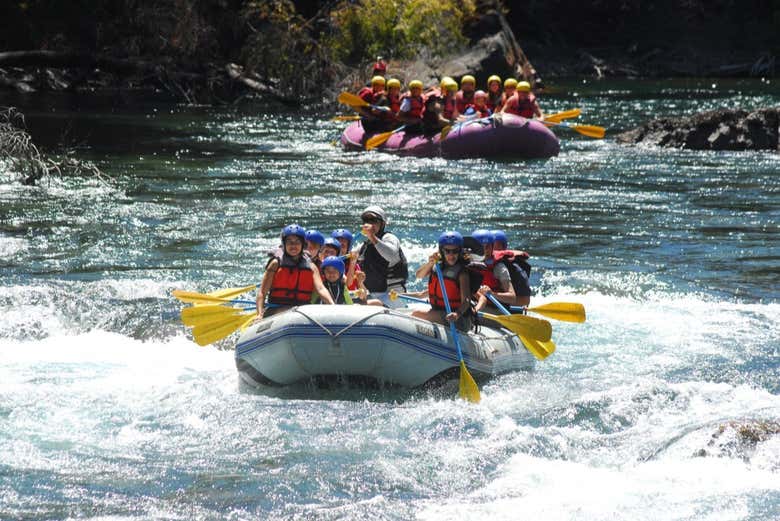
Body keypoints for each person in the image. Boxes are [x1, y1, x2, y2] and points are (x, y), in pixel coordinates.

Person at [256, 224, 334, 317]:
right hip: (277, 309)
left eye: (297, 242)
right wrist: (259, 314)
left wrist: (333, 306)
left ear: (302, 245)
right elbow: (262, 292)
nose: (293, 246)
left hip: (303, 311)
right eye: (289, 242)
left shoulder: (311, 266)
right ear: (284, 244)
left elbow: (321, 289)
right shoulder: (275, 264)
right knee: (283, 311)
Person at [411, 231, 473, 331]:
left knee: (416, 314)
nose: (451, 255)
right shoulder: (436, 266)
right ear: (441, 251)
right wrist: (430, 263)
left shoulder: (462, 273)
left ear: (460, 251)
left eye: (455, 251)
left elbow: (466, 300)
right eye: (447, 251)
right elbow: (419, 275)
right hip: (440, 312)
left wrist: (457, 314)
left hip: (457, 319)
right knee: (416, 314)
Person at [355, 205, 408, 307]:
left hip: (394, 295)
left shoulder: (390, 238)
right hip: (372, 295)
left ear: (382, 224)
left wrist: (372, 237)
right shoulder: (365, 246)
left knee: (363, 306)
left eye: (374, 221)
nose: (369, 224)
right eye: (366, 220)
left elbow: (391, 255)